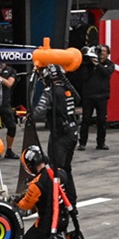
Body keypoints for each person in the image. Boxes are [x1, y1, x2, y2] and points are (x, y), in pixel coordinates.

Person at [28, 64, 82, 204]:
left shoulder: (50, 91)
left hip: (61, 135)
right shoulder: (67, 89)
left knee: (56, 170)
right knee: (66, 168)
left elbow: (38, 112)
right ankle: (71, 200)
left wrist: (28, 116)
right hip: (72, 133)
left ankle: (59, 202)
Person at [13, 145, 66, 239]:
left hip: (47, 224)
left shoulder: (36, 184)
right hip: (64, 218)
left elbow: (25, 206)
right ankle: (63, 235)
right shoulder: (60, 172)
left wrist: (15, 201)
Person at [74, 45, 113, 150]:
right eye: (100, 51)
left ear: (108, 54)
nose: (102, 53)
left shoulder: (109, 65)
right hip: (89, 96)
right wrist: (89, 64)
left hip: (102, 96)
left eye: (104, 51)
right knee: (85, 120)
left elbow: (106, 73)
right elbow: (82, 77)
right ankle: (82, 143)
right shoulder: (88, 65)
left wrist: (97, 64)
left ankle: (101, 143)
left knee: (101, 121)